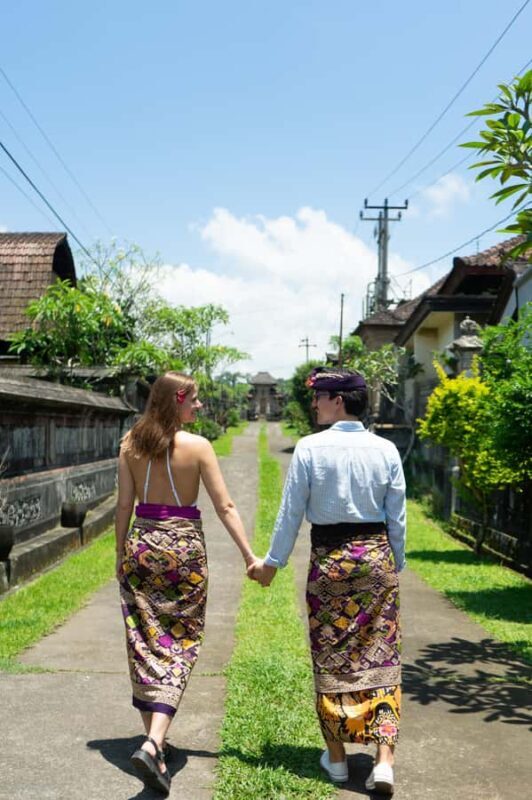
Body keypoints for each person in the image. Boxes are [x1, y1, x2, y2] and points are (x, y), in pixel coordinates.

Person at [249, 367, 406, 796]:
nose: (314, 403)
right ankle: (384, 762)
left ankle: (337, 759)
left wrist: (272, 564)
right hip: (376, 561)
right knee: (381, 655)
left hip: (330, 563)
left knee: (331, 656)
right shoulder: (386, 449)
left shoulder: (310, 448)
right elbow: (397, 516)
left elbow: (291, 512)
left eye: (319, 396)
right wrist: (396, 563)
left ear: (338, 400)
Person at [115, 371, 256, 795]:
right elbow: (225, 506)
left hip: (141, 546)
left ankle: (156, 744)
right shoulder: (198, 447)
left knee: (145, 640)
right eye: (194, 399)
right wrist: (249, 555)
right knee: (180, 641)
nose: (199, 406)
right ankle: (154, 741)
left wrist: (120, 554)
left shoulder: (130, 444)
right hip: (184, 551)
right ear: (177, 399)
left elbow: (124, 505)